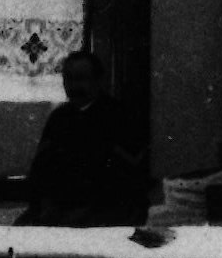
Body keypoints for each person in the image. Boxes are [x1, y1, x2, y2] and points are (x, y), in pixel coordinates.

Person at [16, 50, 147, 226]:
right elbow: (41, 168)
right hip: (57, 208)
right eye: (68, 78)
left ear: (99, 81)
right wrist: (45, 204)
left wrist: (83, 212)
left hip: (103, 209)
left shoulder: (118, 116)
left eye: (81, 78)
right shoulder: (59, 117)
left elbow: (124, 179)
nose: (74, 86)